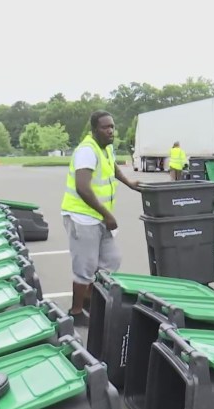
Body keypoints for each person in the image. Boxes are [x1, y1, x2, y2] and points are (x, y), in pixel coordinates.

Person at [61, 110, 140, 327]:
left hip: (99, 218)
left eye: (112, 127)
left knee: (111, 260)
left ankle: (88, 299)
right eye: (106, 127)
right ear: (95, 129)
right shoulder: (87, 151)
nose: (111, 131)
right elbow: (83, 187)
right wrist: (107, 215)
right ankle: (76, 311)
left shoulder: (106, 149)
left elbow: (112, 167)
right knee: (85, 267)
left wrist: (128, 182)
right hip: (82, 217)